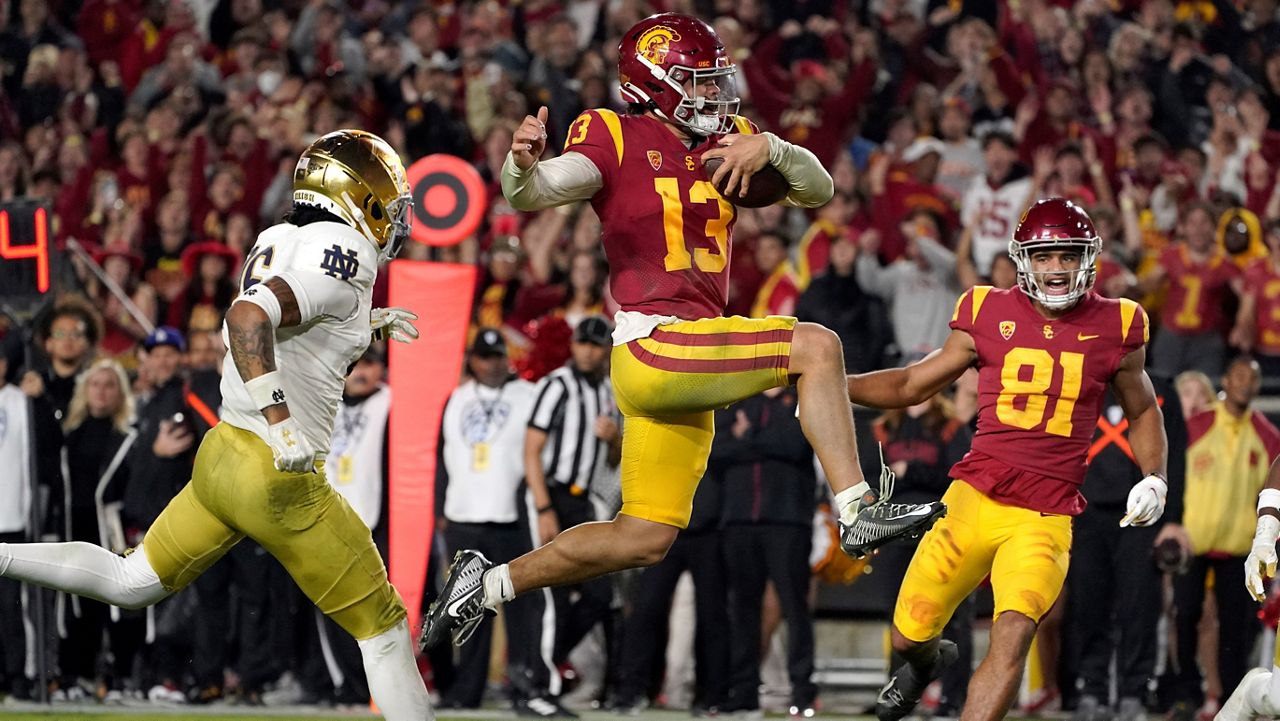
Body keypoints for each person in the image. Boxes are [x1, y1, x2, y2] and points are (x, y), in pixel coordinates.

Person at [422, 12, 946, 652]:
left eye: (715, 82)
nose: (712, 96)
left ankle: (487, 584)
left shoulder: (731, 138)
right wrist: (521, 165)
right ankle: (859, 510)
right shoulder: (613, 133)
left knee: (644, 534)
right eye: (696, 82)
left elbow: (819, 188)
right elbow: (533, 194)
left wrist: (774, 147)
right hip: (657, 344)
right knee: (817, 345)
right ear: (652, 83)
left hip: (682, 357)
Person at [0, 130, 434, 721]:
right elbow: (250, 317)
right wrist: (283, 427)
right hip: (274, 473)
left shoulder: (277, 236)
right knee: (382, 629)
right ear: (361, 194)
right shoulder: (346, 247)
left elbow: (295, 321)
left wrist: (365, 323)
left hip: (222, 454)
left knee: (132, 580)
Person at [845, 197, 1169, 721]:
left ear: (1088, 258)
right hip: (972, 499)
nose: (1056, 268)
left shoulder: (1119, 324)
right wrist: (833, 388)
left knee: (1014, 630)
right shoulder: (985, 310)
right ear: (1024, 260)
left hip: (1045, 514)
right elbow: (910, 383)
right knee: (908, 637)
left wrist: (1155, 476)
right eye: (1044, 256)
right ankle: (925, 664)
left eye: (1067, 255)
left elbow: (1144, 408)